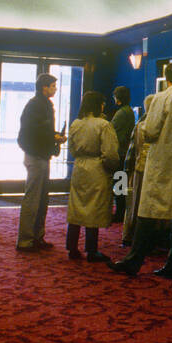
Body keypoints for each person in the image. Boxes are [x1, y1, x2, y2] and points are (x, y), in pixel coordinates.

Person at [109, 62, 172, 279]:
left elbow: (151, 132)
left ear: (167, 78)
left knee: (148, 213)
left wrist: (142, 128)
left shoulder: (161, 98)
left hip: (163, 164)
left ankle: (134, 260)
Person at [65, 90, 119, 261]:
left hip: (79, 166)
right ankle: (91, 250)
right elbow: (110, 153)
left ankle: (72, 247)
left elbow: (72, 149)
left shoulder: (76, 124)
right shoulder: (103, 125)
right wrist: (111, 168)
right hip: (97, 168)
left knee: (77, 207)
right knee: (93, 209)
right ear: (98, 105)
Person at [16, 73, 66, 252]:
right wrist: (54, 136)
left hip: (41, 155)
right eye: (53, 86)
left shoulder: (42, 104)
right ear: (44, 87)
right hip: (36, 156)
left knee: (42, 199)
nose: (55, 89)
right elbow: (34, 131)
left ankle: (37, 237)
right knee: (33, 199)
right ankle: (25, 240)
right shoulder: (35, 105)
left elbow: (40, 130)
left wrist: (54, 137)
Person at [120, 93, 154, 246]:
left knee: (132, 204)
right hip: (145, 171)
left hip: (135, 169)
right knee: (140, 204)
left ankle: (128, 236)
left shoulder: (139, 123)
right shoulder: (148, 126)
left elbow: (131, 151)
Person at [109, 86, 135, 222]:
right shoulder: (129, 111)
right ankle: (120, 212)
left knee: (119, 185)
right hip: (124, 153)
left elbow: (110, 130)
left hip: (120, 153)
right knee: (121, 184)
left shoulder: (121, 113)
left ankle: (119, 213)